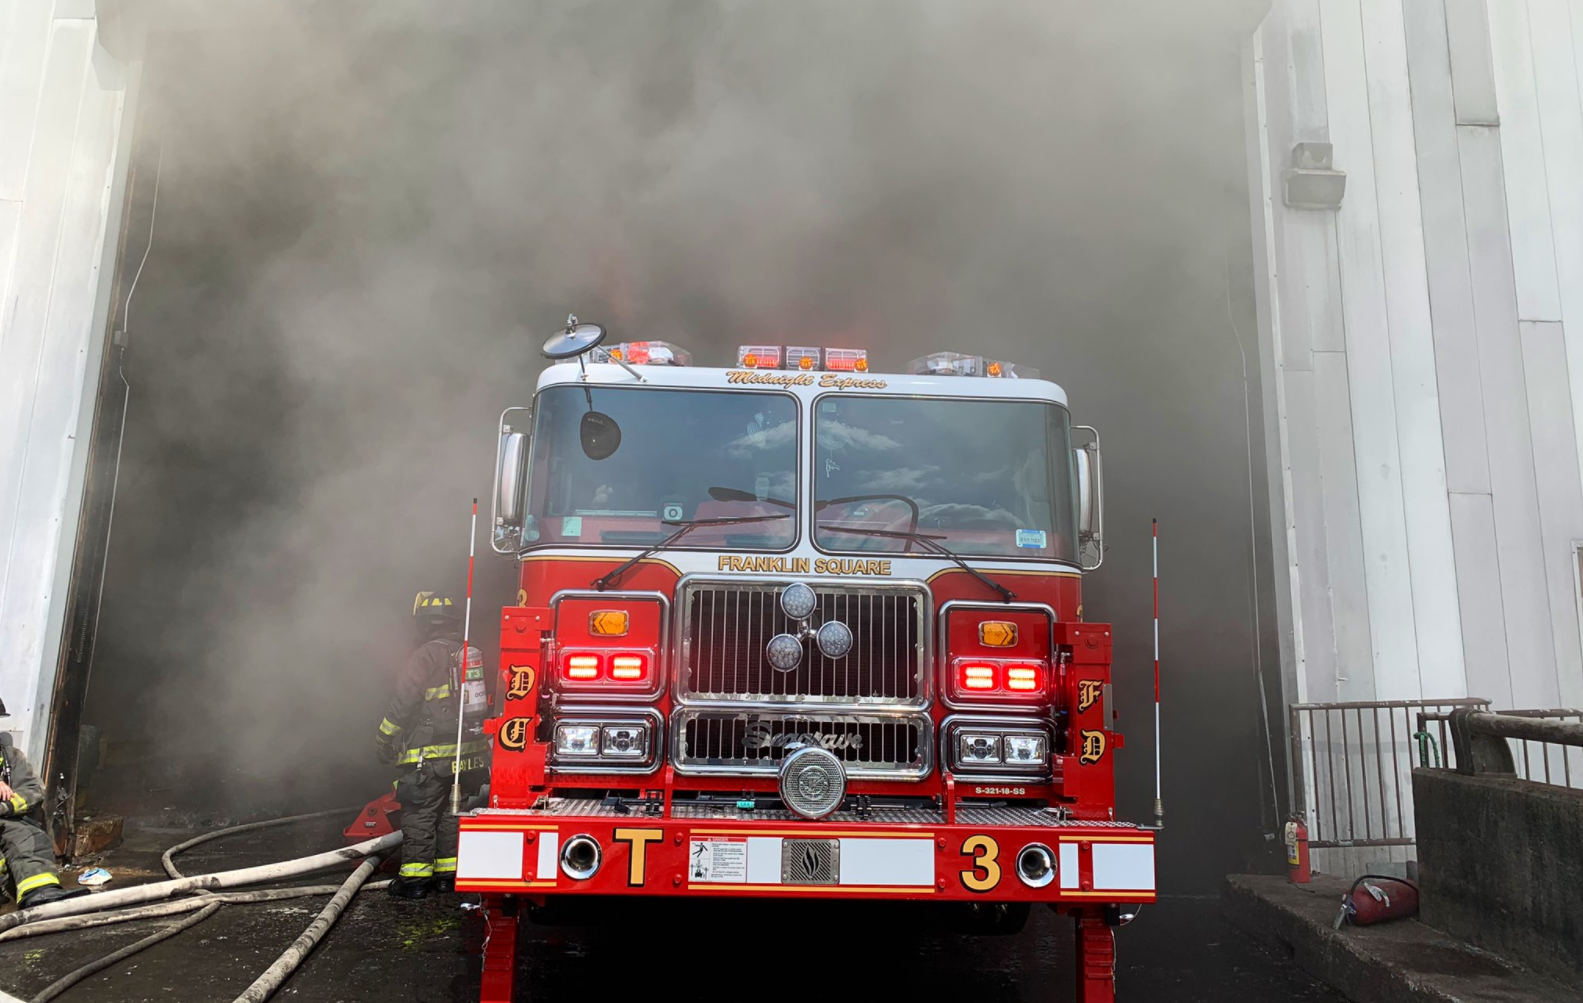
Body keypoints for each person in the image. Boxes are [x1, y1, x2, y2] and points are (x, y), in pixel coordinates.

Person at [375, 591, 491, 899]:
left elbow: (405, 701)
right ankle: (447, 875)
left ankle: (415, 880)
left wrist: (385, 737)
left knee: (419, 813)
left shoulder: (426, 654)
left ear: (425, 625)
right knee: (452, 812)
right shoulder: (469, 653)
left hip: (428, 753)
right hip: (467, 754)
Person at [0, 700, 70, 908]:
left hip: (7, 821)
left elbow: (32, 791)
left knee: (31, 837)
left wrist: (5, 807)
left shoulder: (11, 757)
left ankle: (40, 892)